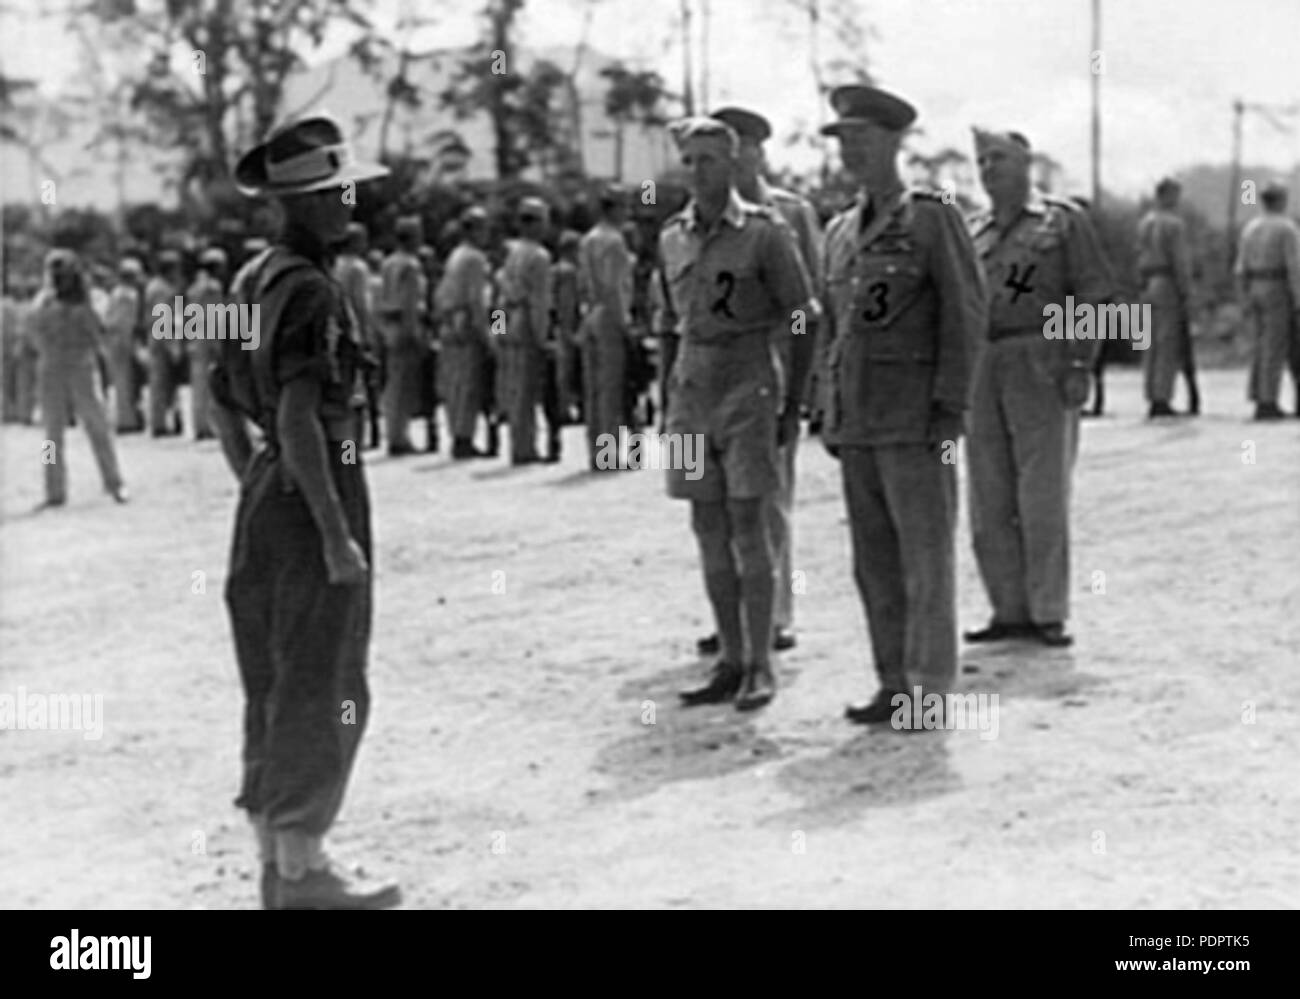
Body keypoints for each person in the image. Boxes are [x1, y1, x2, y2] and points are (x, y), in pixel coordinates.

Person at [210, 113, 400, 910]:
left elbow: (221, 399)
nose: (352, 200)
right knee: (325, 676)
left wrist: (263, 486)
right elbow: (296, 417)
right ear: (313, 203)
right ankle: (304, 870)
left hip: (266, 491)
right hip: (318, 482)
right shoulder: (314, 290)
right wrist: (331, 531)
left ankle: (274, 856)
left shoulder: (250, 279)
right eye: (340, 189)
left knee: (274, 676)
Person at [818, 87, 985, 725]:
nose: (850, 152)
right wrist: (827, 407)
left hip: (918, 416)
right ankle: (893, 681)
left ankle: (931, 689)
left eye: (861, 139)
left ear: (893, 143)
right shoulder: (838, 230)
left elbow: (966, 311)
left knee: (925, 555)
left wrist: (952, 405)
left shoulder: (932, 215)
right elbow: (834, 327)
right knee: (874, 562)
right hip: (859, 417)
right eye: (841, 142)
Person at [660, 118, 812, 711]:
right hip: (689, 394)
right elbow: (665, 323)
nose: (698, 172)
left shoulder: (766, 233)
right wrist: (664, 400)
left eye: (710, 160)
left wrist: (793, 401)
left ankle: (759, 662)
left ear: (734, 163)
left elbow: (805, 314)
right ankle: (727, 656)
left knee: (750, 526)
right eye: (689, 161)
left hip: (748, 387)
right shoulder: (671, 236)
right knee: (706, 527)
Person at [964, 128, 1113, 648]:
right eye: (981, 161)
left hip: (1041, 353)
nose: (988, 170)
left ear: (1028, 163)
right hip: (983, 361)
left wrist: (1078, 359)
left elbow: (1093, 293)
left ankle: (1047, 610)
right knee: (988, 493)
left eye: (999, 159)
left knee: (1041, 492)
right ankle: (1008, 610)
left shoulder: (1061, 220)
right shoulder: (972, 229)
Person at [707, 105, 822, 653]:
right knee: (717, 503)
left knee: (768, 497)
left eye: (744, 146)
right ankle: (734, 616)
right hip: (712, 378)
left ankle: (774, 616)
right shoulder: (702, 216)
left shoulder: (790, 214)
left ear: (758, 151)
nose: (736, 157)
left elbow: (813, 303)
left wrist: (811, 385)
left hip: (773, 369)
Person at [27, 249, 128, 508]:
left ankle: (114, 482)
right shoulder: (43, 301)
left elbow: (99, 333)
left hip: (81, 367)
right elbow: (34, 333)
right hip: (52, 368)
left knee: (98, 428)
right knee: (51, 435)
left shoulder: (91, 299)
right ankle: (54, 490)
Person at [1234, 180, 1300, 419]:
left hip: (1255, 287)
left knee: (1260, 346)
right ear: (1281, 199)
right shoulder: (1287, 228)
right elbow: (1294, 267)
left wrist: (1243, 297)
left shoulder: (1250, 228)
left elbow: (1240, 267)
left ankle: (1259, 394)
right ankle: (1268, 400)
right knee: (1275, 347)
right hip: (1277, 287)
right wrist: (1298, 299)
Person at [578, 188, 633, 470]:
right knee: (610, 390)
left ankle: (595, 451)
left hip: (590, 313)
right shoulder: (614, 241)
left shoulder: (587, 240)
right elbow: (614, 287)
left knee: (594, 389)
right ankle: (607, 455)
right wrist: (625, 323)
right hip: (609, 315)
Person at [498, 197, 554, 464]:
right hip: (526, 323)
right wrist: (542, 336)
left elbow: (498, 296)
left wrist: (498, 329)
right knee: (527, 390)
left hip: (509, 320)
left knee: (513, 387)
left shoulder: (510, 252)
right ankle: (525, 447)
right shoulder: (539, 256)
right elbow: (539, 301)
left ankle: (518, 444)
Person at [435, 207, 494, 458]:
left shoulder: (455, 256)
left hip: (450, 324)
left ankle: (458, 434)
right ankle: (464, 437)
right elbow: (478, 301)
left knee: (454, 383)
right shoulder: (475, 259)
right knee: (468, 384)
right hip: (466, 325)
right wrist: (490, 335)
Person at [1136, 178, 1196, 417]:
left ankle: (1151, 393)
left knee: (1149, 343)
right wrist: (1185, 290)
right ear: (1168, 195)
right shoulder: (1174, 224)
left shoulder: (1145, 223)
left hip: (1147, 282)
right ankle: (1162, 396)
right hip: (1167, 283)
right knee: (1167, 343)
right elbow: (1180, 261)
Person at [376, 216, 427, 455]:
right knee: (403, 385)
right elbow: (409, 302)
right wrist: (414, 332)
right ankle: (399, 437)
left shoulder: (388, 263)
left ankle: (394, 432)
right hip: (405, 326)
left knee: (394, 382)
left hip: (389, 325)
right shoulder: (410, 265)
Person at [333, 222, 382, 449]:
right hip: (354, 336)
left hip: (333, 337)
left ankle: (345, 449)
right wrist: (369, 339)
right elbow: (362, 307)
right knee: (358, 397)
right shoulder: (358, 268)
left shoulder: (334, 266)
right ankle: (352, 451)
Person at [185, 247, 230, 440]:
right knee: (210, 385)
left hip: (195, 337)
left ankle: (200, 425)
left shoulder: (194, 287)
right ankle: (208, 426)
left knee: (198, 384)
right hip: (208, 337)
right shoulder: (213, 288)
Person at [145, 249, 185, 436]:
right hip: (163, 341)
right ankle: (159, 424)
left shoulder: (155, 286)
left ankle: (160, 421)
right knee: (161, 383)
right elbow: (164, 320)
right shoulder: (162, 290)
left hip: (157, 339)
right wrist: (173, 346)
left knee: (160, 383)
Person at [104, 258, 146, 432]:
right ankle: (127, 421)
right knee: (125, 381)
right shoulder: (128, 295)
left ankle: (125, 419)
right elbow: (126, 322)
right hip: (123, 340)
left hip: (114, 339)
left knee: (122, 382)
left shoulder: (116, 292)